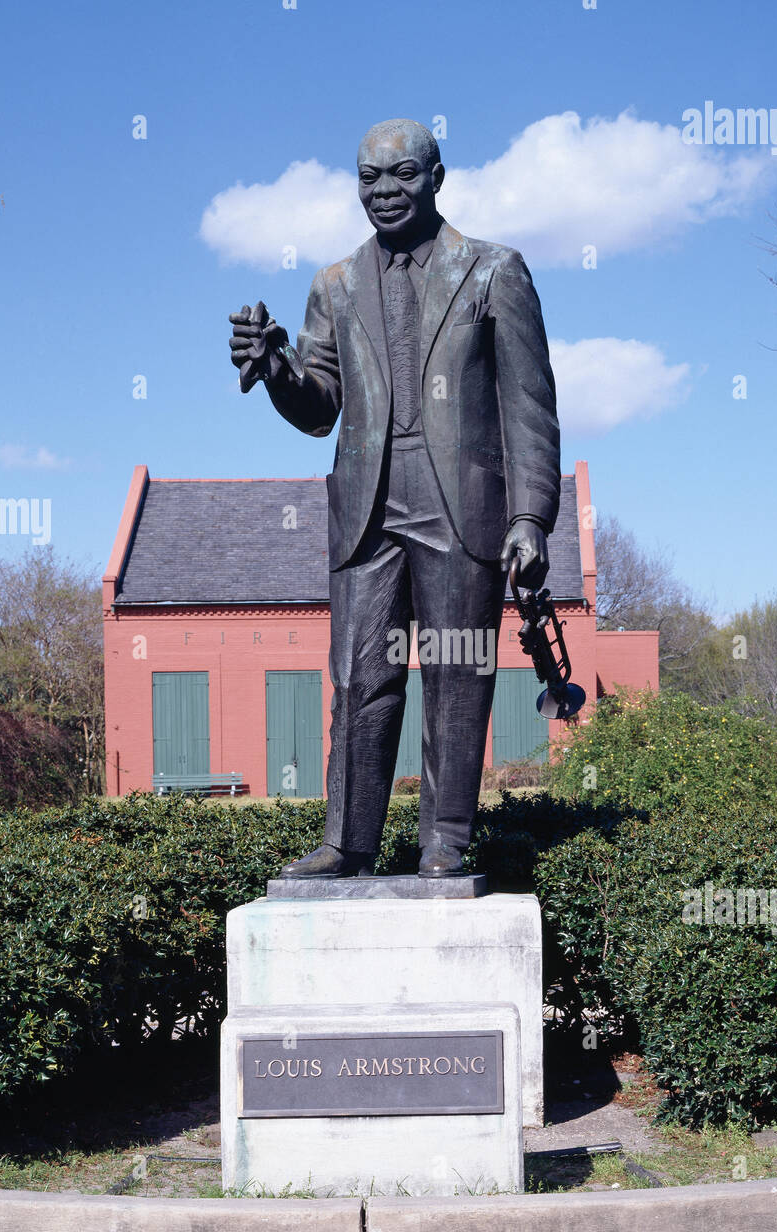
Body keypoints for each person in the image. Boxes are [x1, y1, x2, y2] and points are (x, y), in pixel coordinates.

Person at [229, 118, 560, 877]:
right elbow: (319, 410)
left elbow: (529, 408)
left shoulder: (490, 271)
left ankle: (444, 838)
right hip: (366, 507)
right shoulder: (334, 286)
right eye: (368, 178)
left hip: (459, 504)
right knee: (359, 676)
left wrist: (530, 517)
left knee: (454, 672)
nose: (384, 191)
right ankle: (347, 843)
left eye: (401, 174)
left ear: (437, 177)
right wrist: (274, 367)